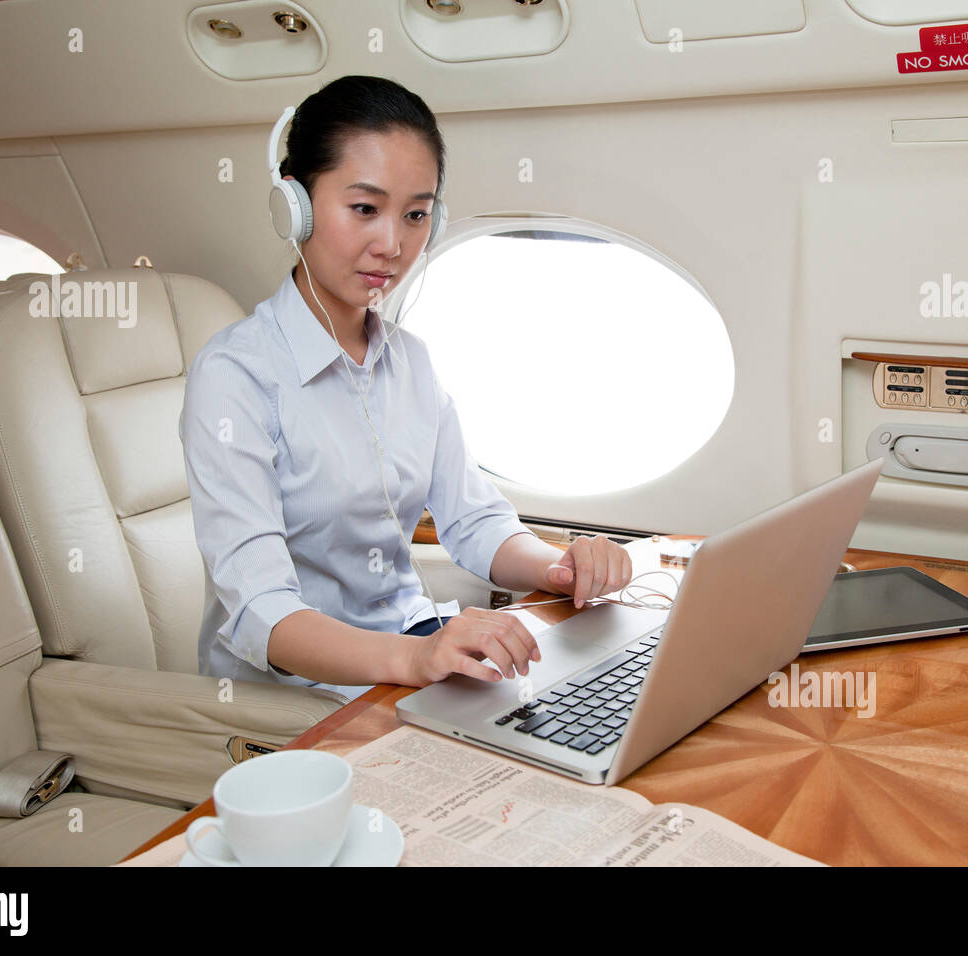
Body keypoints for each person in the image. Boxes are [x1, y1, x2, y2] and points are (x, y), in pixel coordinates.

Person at [180, 75, 634, 703]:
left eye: (416, 215)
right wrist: (416, 658)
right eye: (364, 209)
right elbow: (261, 612)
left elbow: (474, 522)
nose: (392, 246)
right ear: (295, 206)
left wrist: (564, 567)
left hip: (410, 652)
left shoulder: (410, 362)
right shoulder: (235, 376)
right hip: (291, 697)